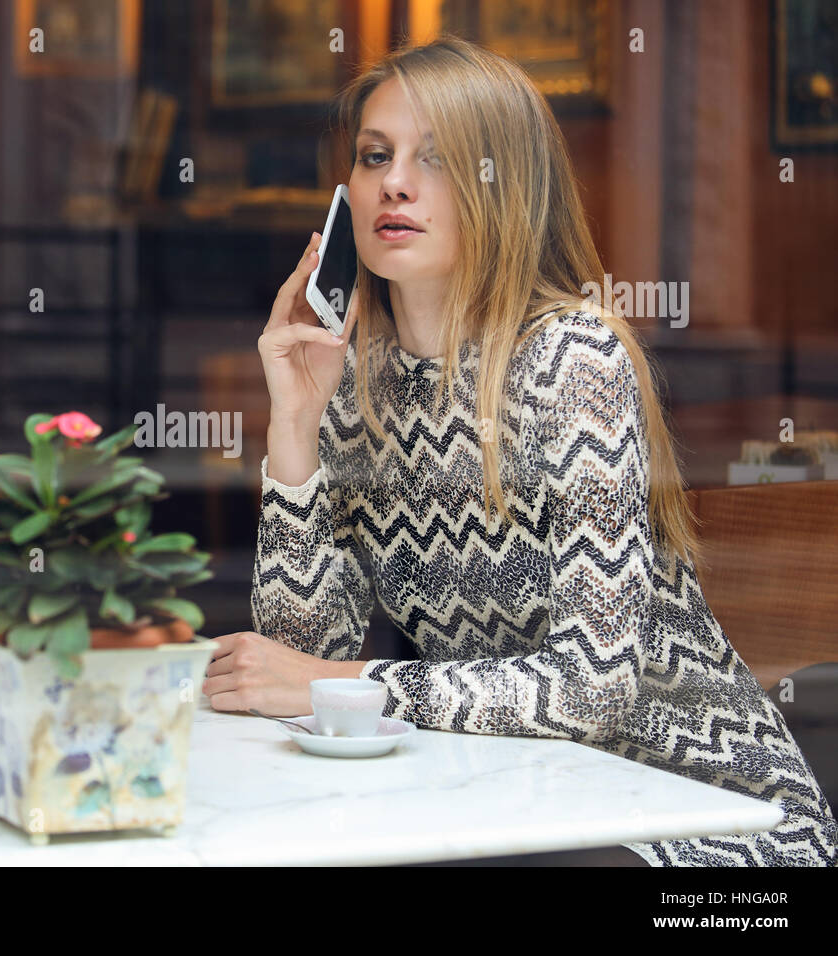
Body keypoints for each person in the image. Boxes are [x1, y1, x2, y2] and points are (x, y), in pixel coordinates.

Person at [201, 34, 837, 867]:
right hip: (516, 798)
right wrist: (293, 428)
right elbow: (300, 655)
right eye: (375, 156)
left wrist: (355, 684)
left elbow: (592, 687)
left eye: (438, 159)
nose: (395, 181)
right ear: (345, 194)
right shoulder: (354, 383)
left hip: (701, 833)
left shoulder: (572, 360)